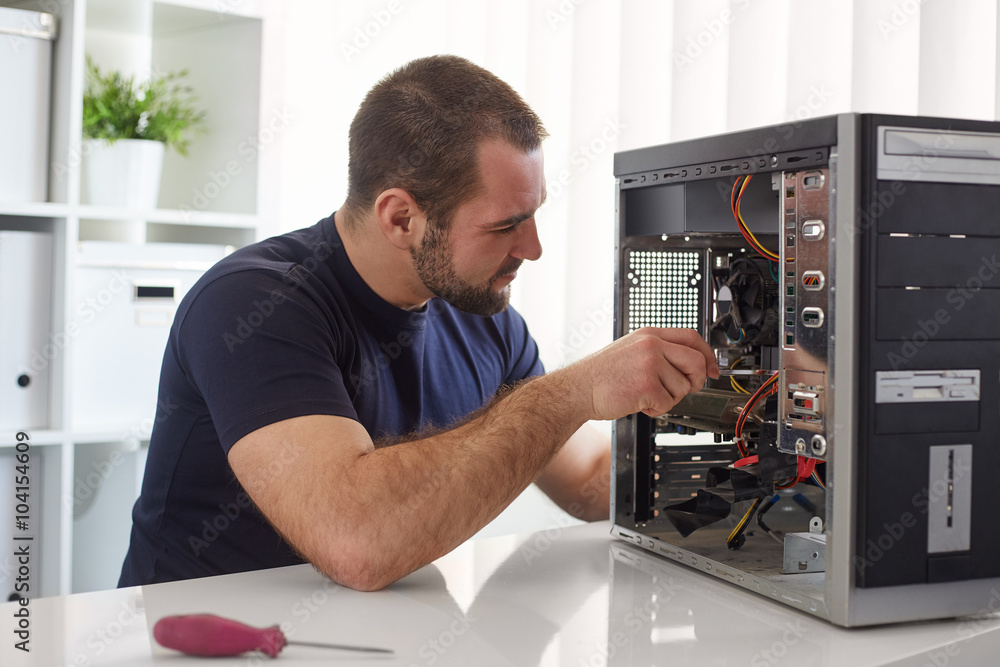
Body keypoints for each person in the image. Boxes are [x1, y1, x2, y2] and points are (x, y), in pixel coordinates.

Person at [118, 55, 718, 591]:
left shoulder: (485, 319)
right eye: (506, 224)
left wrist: (756, 461)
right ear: (402, 218)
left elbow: (588, 481)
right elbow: (358, 543)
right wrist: (577, 390)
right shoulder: (253, 304)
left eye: (533, 216)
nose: (533, 249)